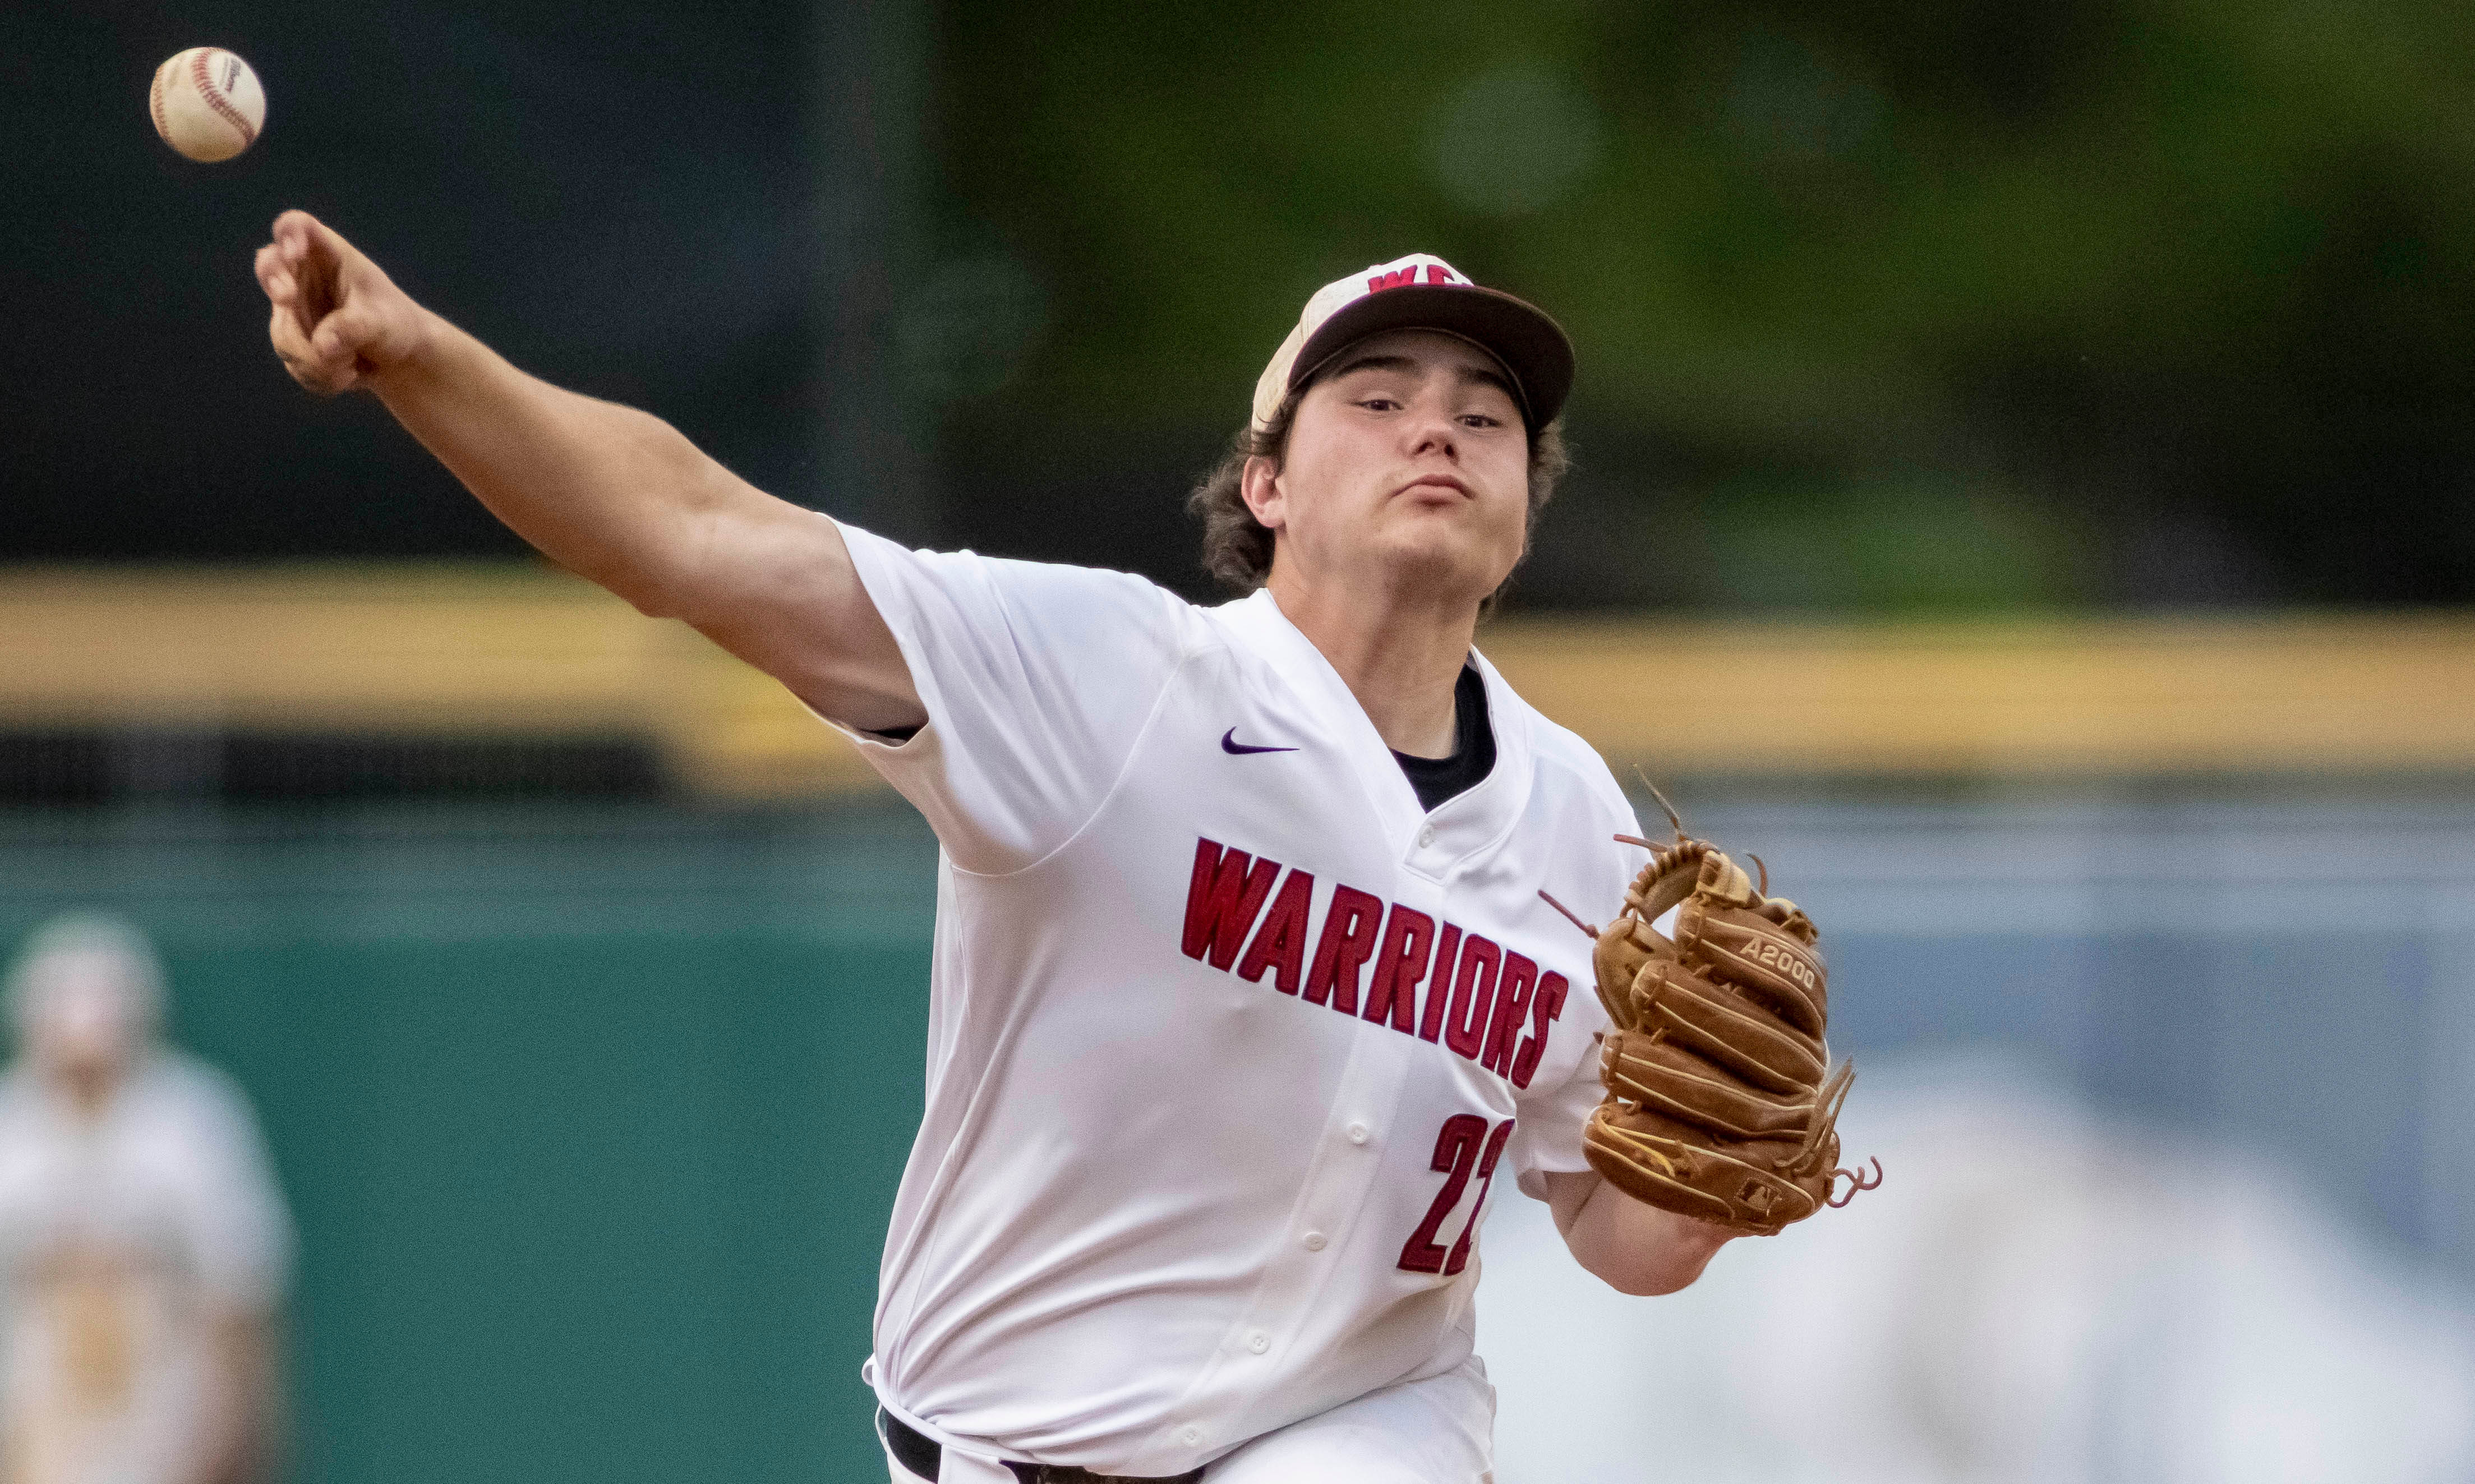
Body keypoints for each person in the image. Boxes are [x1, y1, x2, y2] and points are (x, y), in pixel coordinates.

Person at [255, 214, 1736, 1483]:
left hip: (1364, 1418)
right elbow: (691, 533)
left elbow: (1622, 1237)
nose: (1439, 427)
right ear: (1264, 485)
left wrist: (1711, 1176)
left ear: (1521, 507)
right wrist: (422, 358)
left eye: (1487, 417)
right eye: (1375, 394)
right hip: (1007, 1433)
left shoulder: (1587, 827)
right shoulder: (1109, 679)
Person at [0, 916, 292, 1484]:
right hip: (35, 1420)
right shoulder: (10, 1131)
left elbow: (243, 1291)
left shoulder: (194, 1122)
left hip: (168, 1419)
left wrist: (239, 1426)